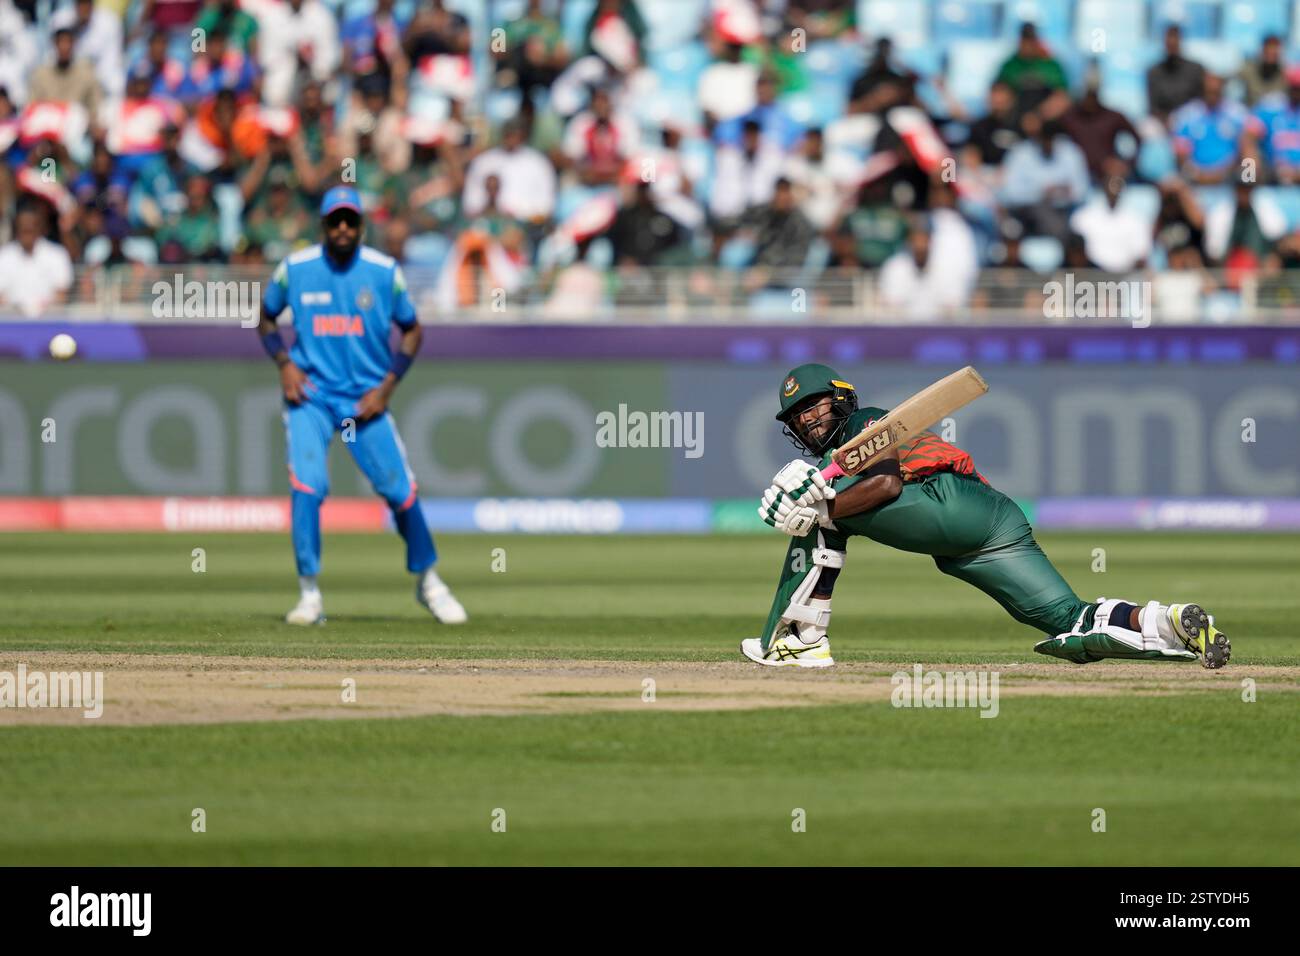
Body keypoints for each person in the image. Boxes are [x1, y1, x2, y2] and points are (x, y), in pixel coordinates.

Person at [743, 365, 1231, 669]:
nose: (807, 418)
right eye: (797, 416)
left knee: (821, 513)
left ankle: (804, 639)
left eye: (814, 404)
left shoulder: (865, 419)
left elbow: (888, 484)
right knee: (1068, 619)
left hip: (949, 500)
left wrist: (819, 507)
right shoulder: (844, 443)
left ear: (840, 397)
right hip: (994, 526)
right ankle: (1170, 623)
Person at [257, 185, 467, 626]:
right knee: (308, 485)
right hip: (312, 396)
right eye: (335, 221)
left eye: (350, 220)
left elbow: (412, 330)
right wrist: (284, 365)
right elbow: (265, 317)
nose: (343, 228)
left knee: (399, 491)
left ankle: (429, 581)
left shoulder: (383, 271)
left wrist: (387, 388)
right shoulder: (295, 268)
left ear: (362, 226)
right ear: (323, 226)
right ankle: (309, 594)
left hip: (363, 404)